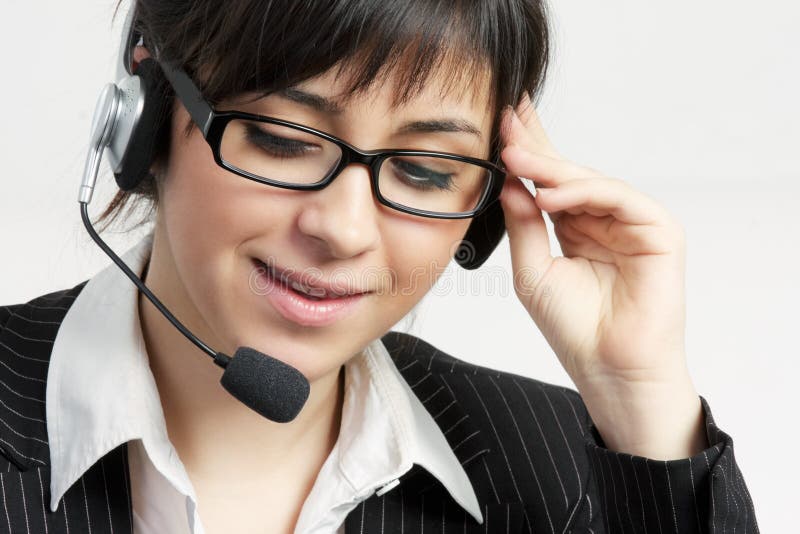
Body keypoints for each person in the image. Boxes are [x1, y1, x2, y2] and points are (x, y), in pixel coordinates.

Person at [0, 1, 759, 533]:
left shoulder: (563, 473)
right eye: (283, 138)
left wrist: (641, 403)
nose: (343, 229)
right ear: (145, 107)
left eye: (425, 171)